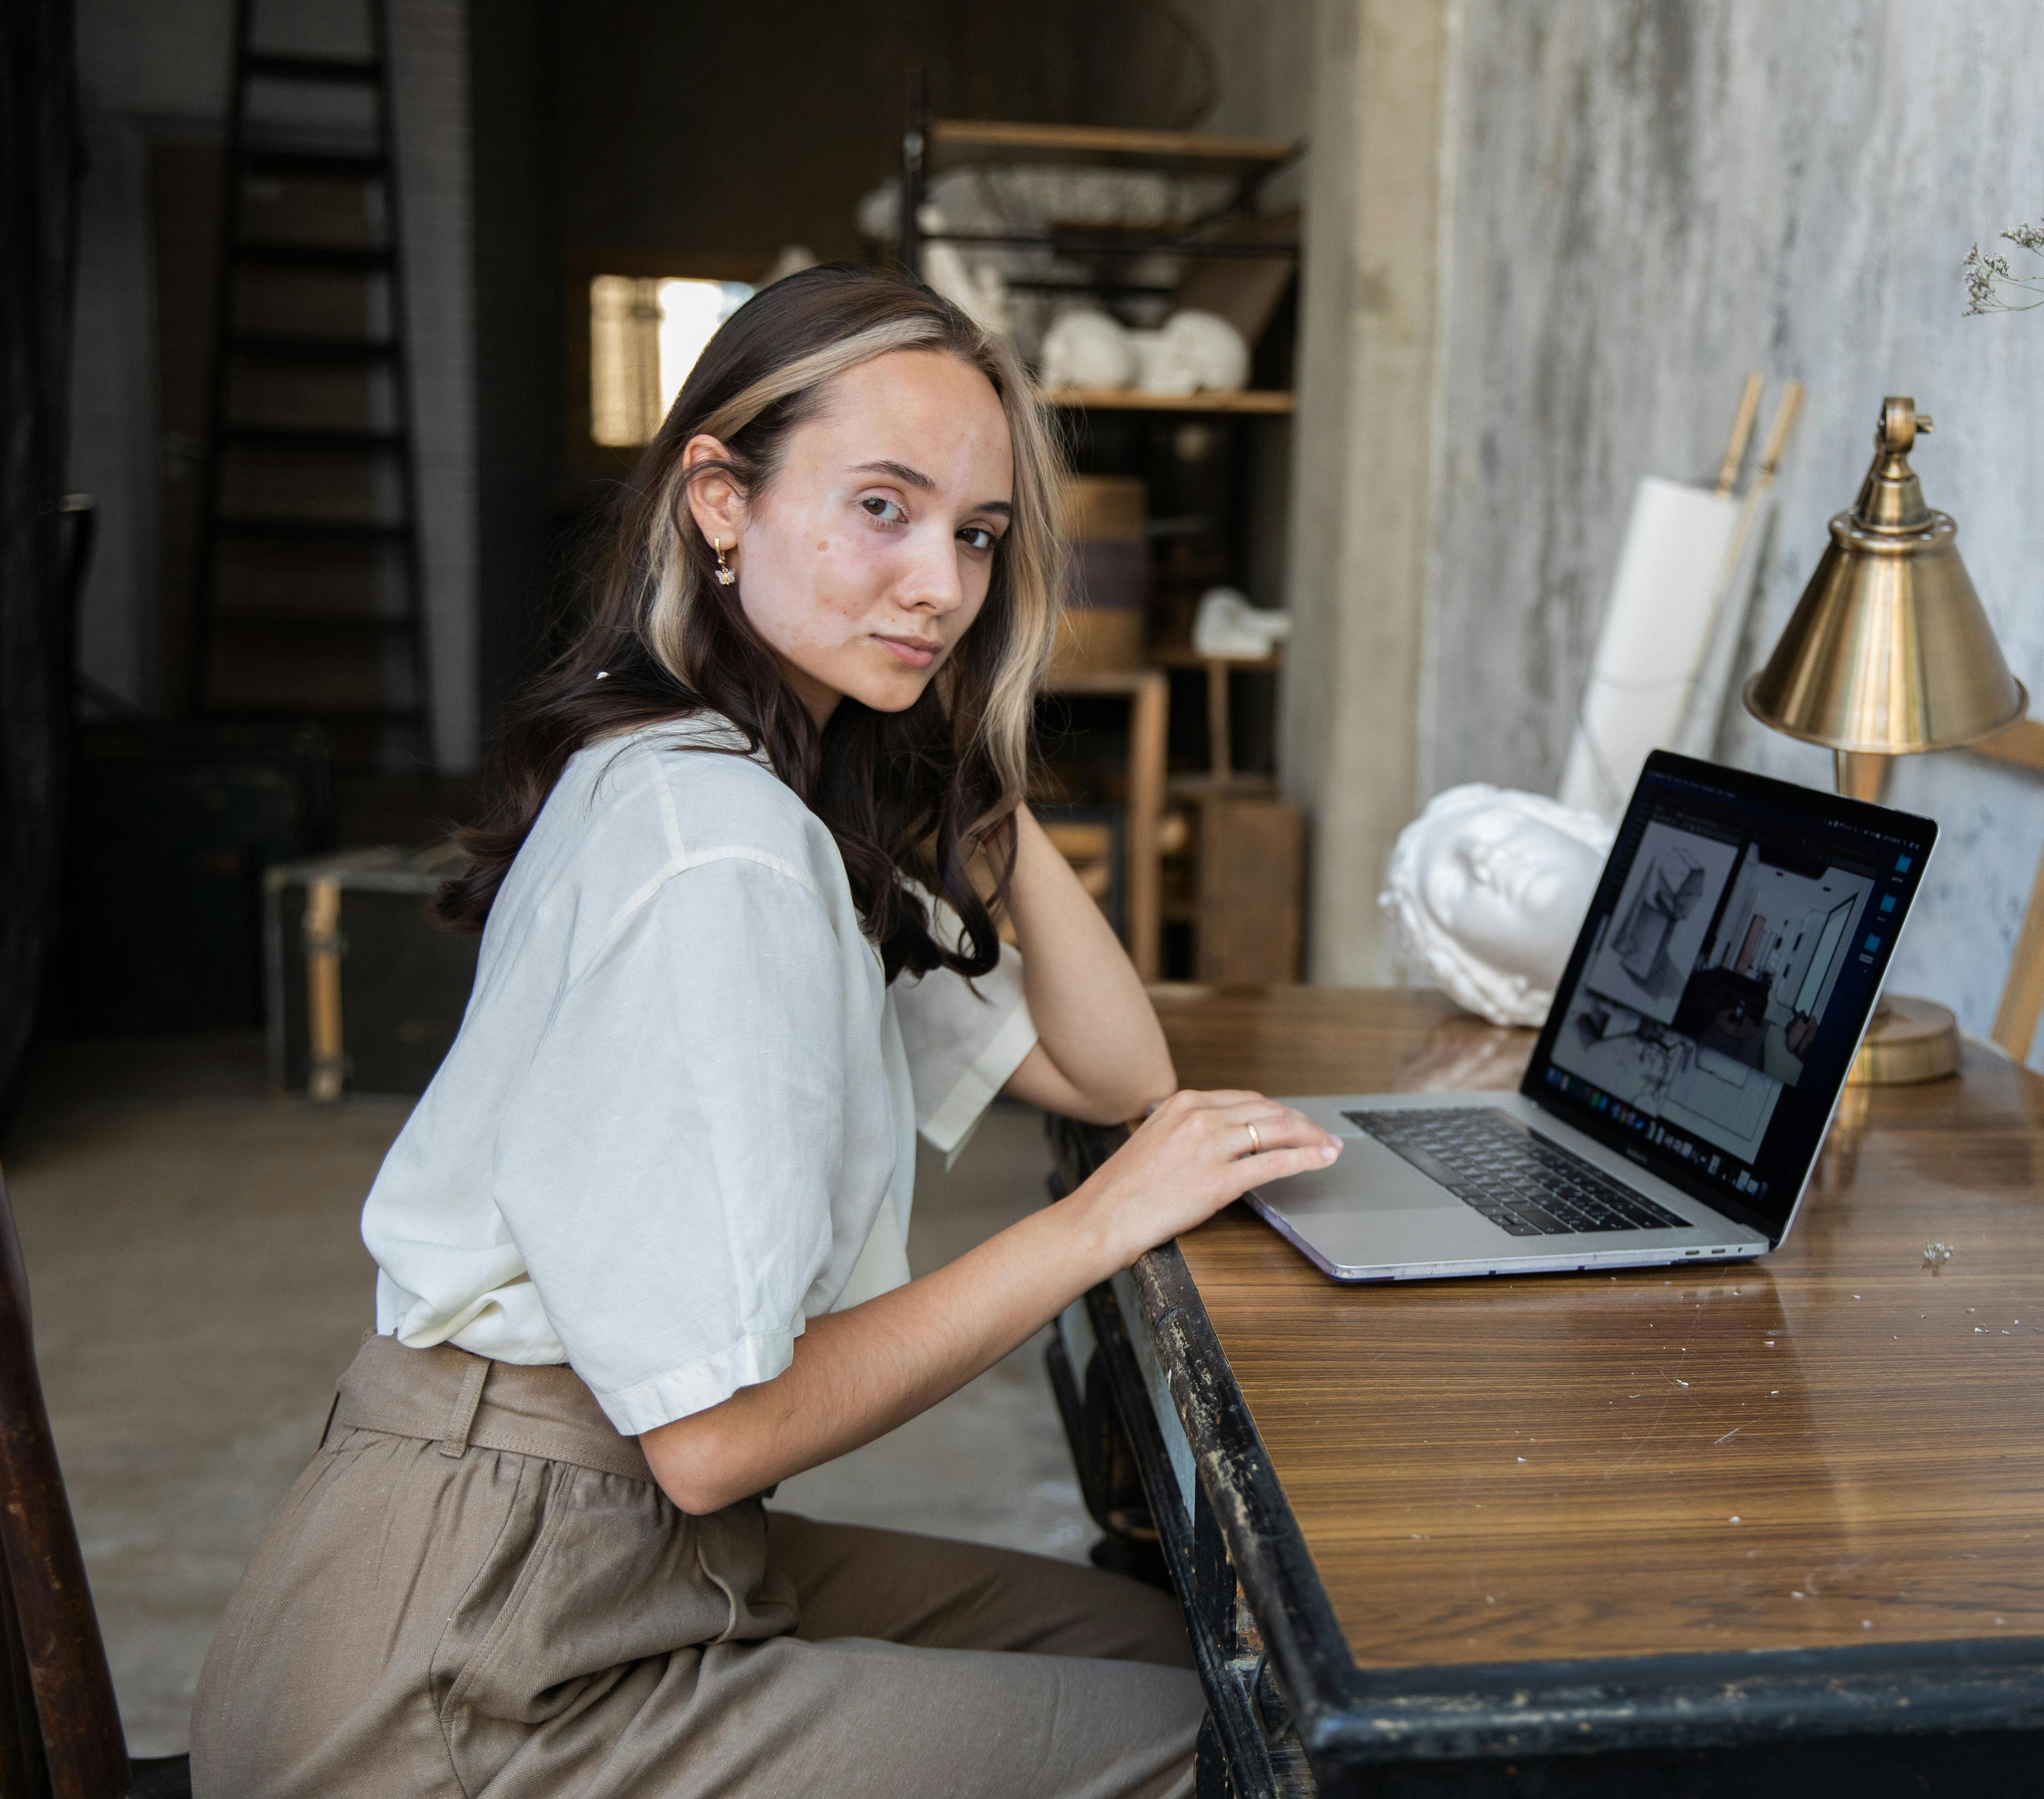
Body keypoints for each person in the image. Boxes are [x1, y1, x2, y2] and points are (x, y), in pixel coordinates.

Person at [190, 265, 1339, 1799]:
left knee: (1161, 1643)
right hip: (471, 1670)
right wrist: (1103, 1222)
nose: (942, 584)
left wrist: (959, 760)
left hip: (559, 1554)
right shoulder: (718, 848)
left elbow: (1118, 1070)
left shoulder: (756, 781)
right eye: (883, 507)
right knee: (1251, 1747)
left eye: (979, 537)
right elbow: (720, 1439)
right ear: (718, 502)